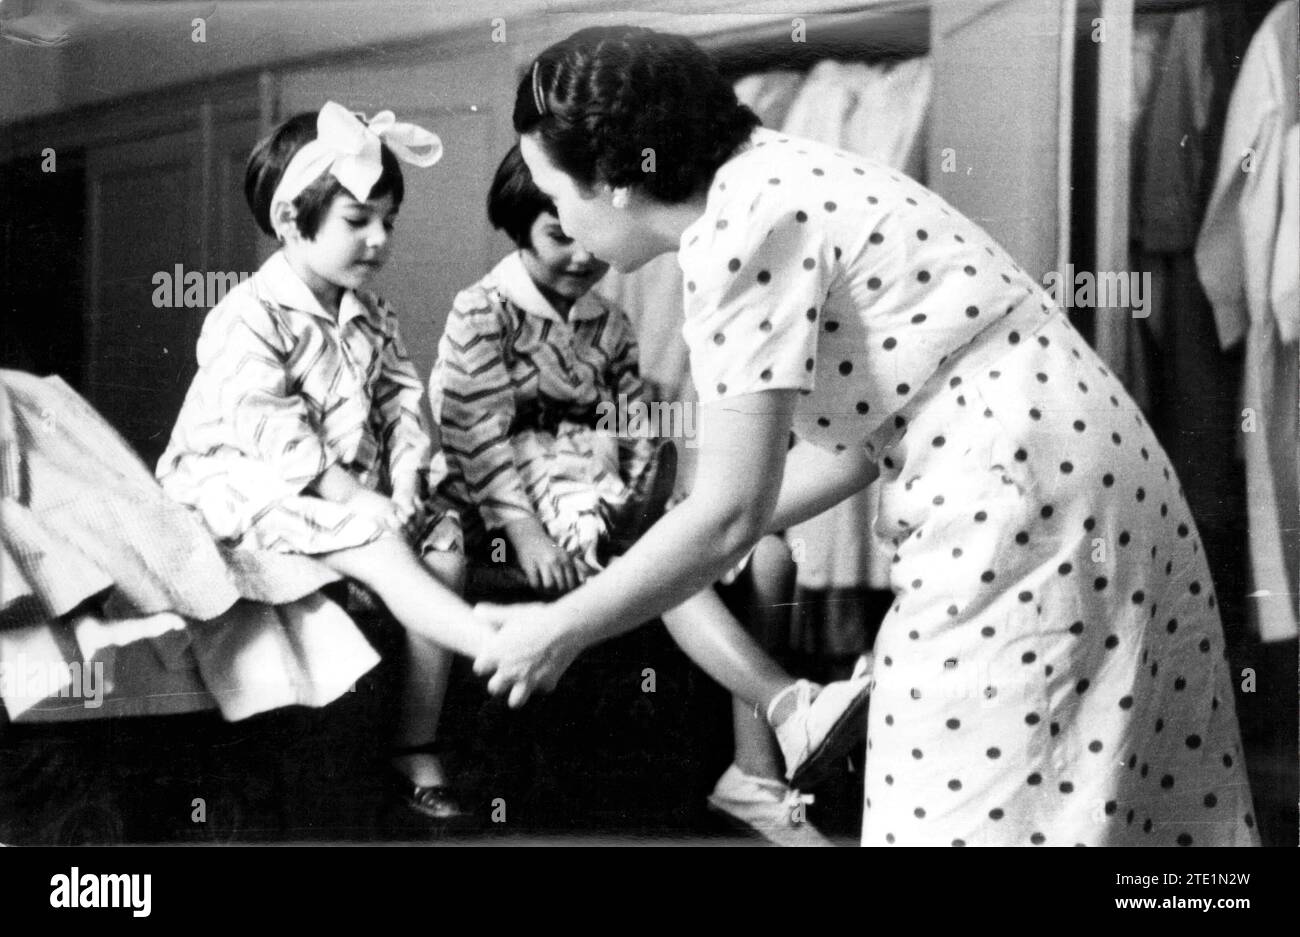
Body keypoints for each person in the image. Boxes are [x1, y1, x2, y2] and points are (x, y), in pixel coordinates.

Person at [471, 25, 1259, 847]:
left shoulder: (736, 233)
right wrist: (708, 522)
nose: (555, 213)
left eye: (555, 192)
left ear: (616, 184)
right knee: (1090, 801)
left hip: (1024, 502)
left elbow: (731, 515)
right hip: (1085, 469)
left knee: (957, 812)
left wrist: (558, 625)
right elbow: (851, 441)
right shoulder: (775, 173)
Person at [427, 144, 872, 844]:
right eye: (556, 238)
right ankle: (786, 705)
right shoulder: (482, 311)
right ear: (521, 226)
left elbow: (631, 427)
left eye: (590, 245)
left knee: (765, 555)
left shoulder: (610, 325)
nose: (580, 257)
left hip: (601, 497)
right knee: (678, 565)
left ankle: (755, 773)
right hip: (504, 506)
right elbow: (475, 434)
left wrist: (638, 500)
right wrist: (527, 532)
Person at [157, 102, 492, 823]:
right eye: (357, 219)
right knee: (372, 535)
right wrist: (358, 500)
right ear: (291, 221)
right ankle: (485, 637)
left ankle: (415, 739)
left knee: (444, 536)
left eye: (388, 221)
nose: (378, 239)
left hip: (349, 489)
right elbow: (272, 432)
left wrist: (403, 480)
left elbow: (406, 404)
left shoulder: (374, 314)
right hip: (242, 480)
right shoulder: (246, 313)